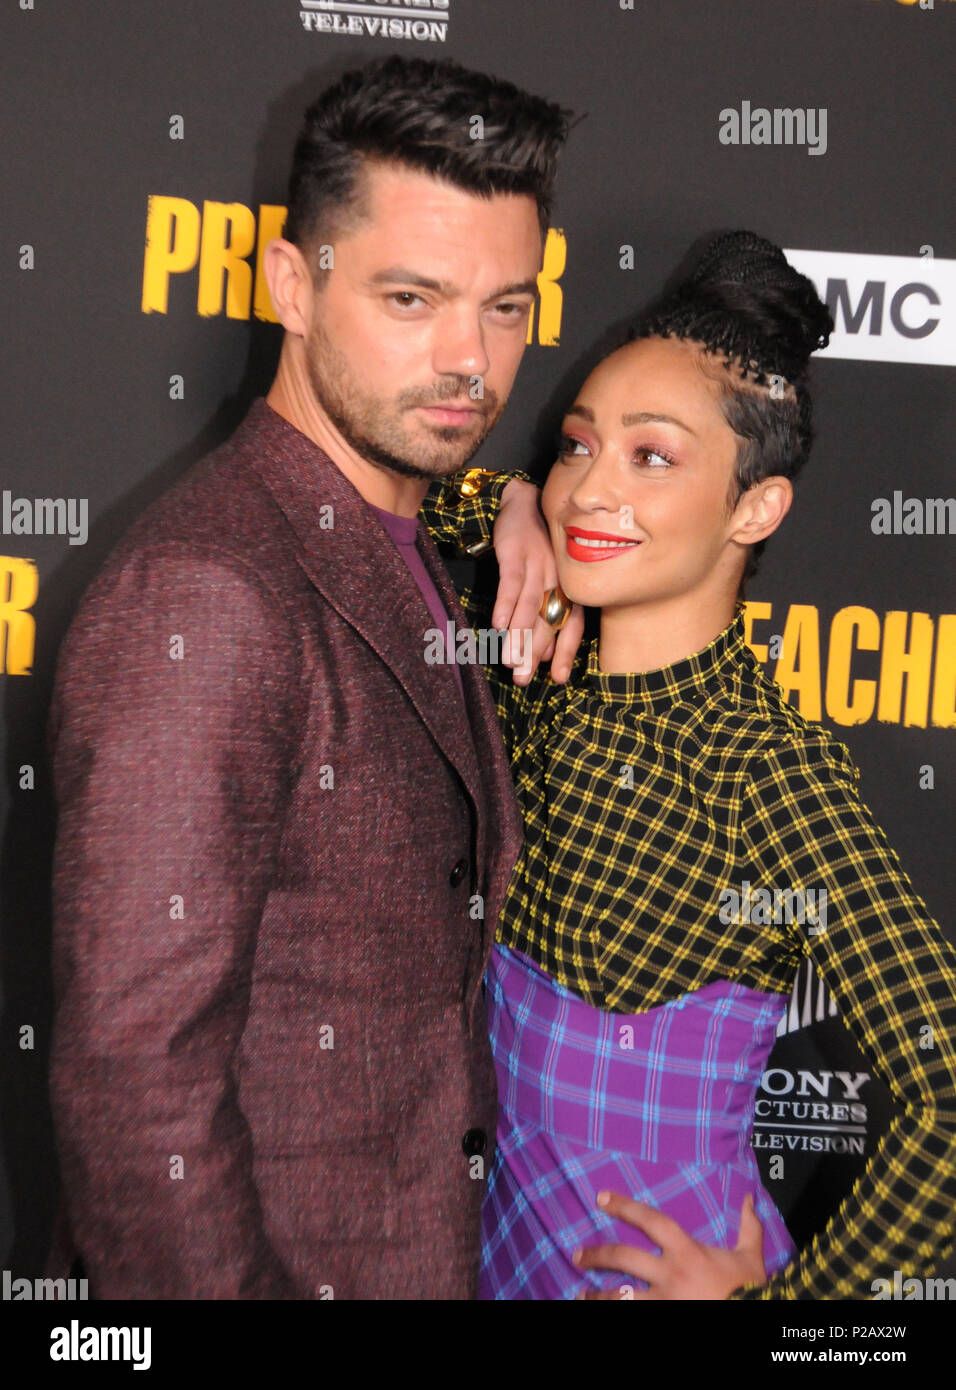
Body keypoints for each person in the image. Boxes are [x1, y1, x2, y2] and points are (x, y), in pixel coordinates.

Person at [43, 54, 575, 1300]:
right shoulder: (209, 592)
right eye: (410, 298)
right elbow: (137, 1088)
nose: (468, 360)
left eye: (505, 307)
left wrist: (518, 499)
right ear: (293, 282)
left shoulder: (402, 536)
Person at [420, 230, 956, 1299]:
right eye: (577, 447)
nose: (587, 490)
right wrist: (511, 504)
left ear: (754, 507)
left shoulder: (765, 771)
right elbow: (403, 499)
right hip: (483, 1255)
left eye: (651, 457)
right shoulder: (534, 671)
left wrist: (785, 1312)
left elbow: (942, 1090)